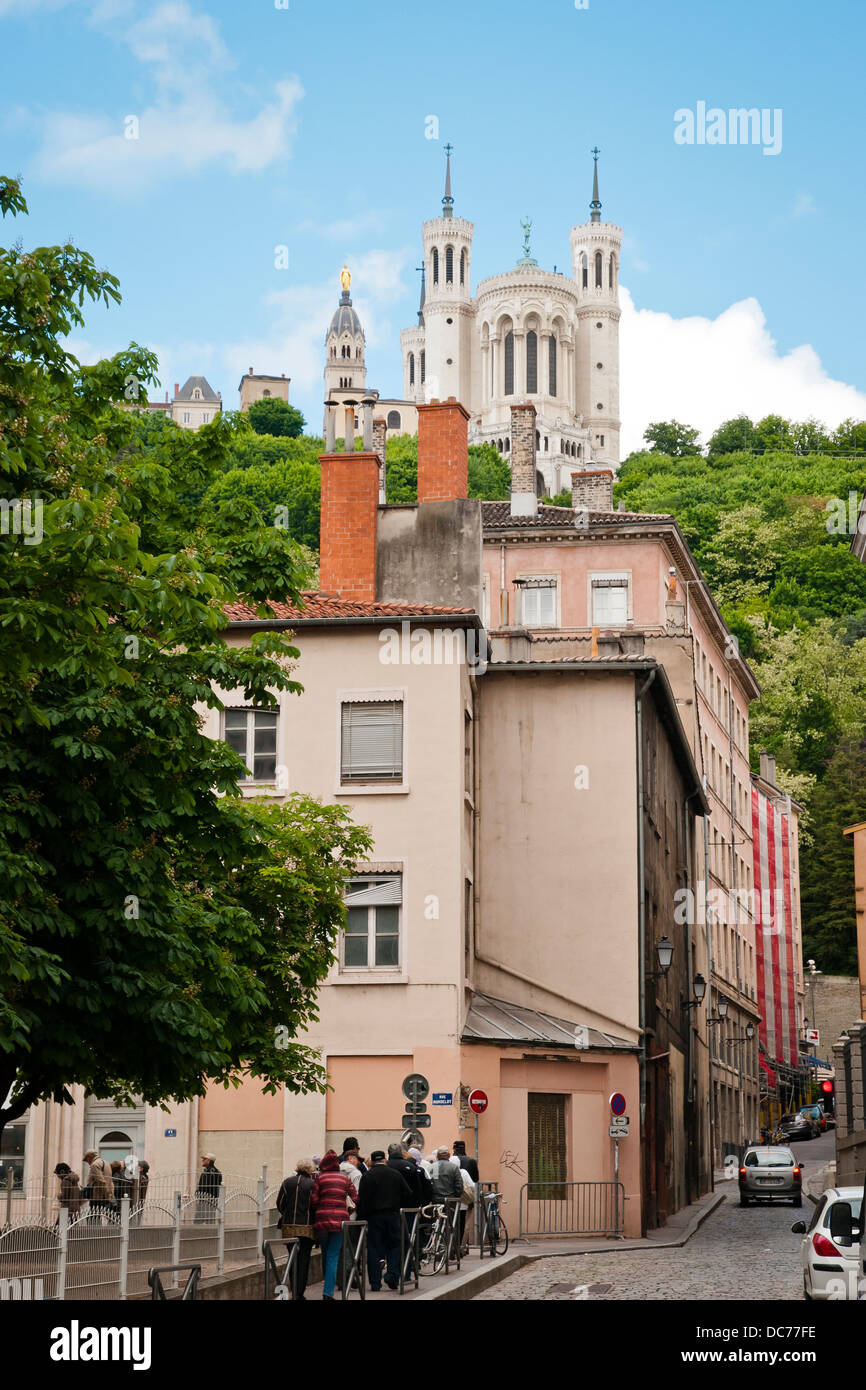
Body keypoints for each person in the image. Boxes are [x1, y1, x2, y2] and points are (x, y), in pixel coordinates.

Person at [356, 1149, 411, 1291]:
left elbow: (363, 1199)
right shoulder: (395, 1174)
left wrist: (361, 1217)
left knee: (374, 1248)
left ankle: (375, 1283)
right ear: (385, 1160)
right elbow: (408, 1193)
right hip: (393, 1215)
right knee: (395, 1245)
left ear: (373, 1162)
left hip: (374, 1217)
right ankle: (392, 1274)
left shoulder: (368, 1176)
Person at [310, 1149, 356, 1301]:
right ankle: (328, 1292)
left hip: (322, 1220)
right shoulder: (345, 1178)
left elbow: (314, 1200)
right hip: (340, 1221)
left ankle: (327, 1286)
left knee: (325, 1253)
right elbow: (355, 1197)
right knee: (333, 1255)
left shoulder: (320, 1178)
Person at [276, 1159, 317, 1300]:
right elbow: (315, 1205)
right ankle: (299, 1292)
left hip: (289, 1226)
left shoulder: (287, 1182)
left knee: (292, 1257)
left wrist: (286, 1214)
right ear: (310, 1170)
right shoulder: (312, 1184)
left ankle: (294, 1289)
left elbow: (280, 1203)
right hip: (307, 1226)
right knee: (304, 1259)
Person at [83, 1150, 115, 1220]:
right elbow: (110, 1181)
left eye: (87, 1160)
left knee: (93, 1218)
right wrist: (111, 1194)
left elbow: (101, 1181)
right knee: (97, 1216)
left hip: (97, 1196)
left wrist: (107, 1196)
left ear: (89, 1157)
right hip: (105, 1195)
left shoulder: (95, 1165)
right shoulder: (106, 1163)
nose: (87, 1162)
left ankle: (93, 1231)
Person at [195, 1153, 222, 1224]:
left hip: (204, 1200)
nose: (202, 1160)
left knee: (198, 1222)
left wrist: (198, 1193)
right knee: (210, 1222)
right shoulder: (218, 1172)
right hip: (213, 1200)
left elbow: (203, 1185)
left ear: (209, 1161)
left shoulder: (206, 1171)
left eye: (204, 1159)